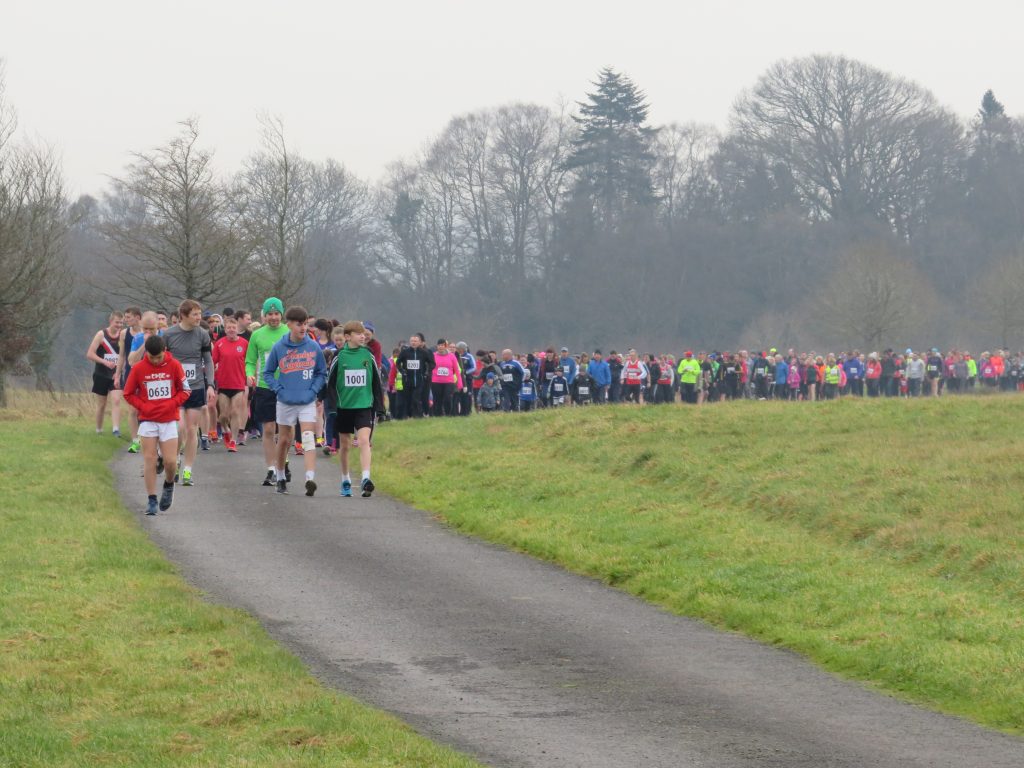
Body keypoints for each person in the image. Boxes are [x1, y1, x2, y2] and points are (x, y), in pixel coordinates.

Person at [122, 335, 190, 516]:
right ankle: (151, 499)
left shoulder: (174, 365)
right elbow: (128, 393)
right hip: (148, 420)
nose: (155, 360)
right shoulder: (138, 368)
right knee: (149, 460)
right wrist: (143, 406)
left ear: (164, 352)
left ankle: (168, 484)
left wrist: (172, 403)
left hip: (168, 420)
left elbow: (186, 390)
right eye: (151, 358)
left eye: (158, 357)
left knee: (170, 461)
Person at [262, 306, 327, 496]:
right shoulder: (279, 347)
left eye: (306, 324)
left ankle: (309, 479)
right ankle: (281, 477)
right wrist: (279, 389)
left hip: (306, 400)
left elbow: (321, 373)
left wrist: (313, 390)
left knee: (308, 437)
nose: (303, 328)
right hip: (286, 401)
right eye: (299, 324)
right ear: (288, 324)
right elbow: (267, 373)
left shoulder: (313, 346)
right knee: (284, 440)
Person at [327, 321, 385, 498]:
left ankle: (366, 479)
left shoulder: (368, 355)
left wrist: (380, 407)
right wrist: (332, 407)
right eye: (358, 333)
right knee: (344, 446)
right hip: (344, 407)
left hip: (364, 406)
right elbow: (330, 385)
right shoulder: (339, 356)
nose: (363, 336)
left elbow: (376, 382)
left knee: (364, 441)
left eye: (364, 333)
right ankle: (345, 479)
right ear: (347, 337)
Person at [162, 300, 215, 487]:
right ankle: (174, 460)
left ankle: (188, 470)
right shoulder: (168, 334)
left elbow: (208, 361)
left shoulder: (203, 334)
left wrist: (210, 385)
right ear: (183, 315)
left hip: (196, 386)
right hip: (175, 388)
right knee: (178, 428)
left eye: (200, 314)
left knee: (192, 429)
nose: (199, 317)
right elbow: (161, 359)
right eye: (195, 314)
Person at [245, 298, 289, 486]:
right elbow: (250, 360)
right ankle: (271, 468)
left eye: (276, 314)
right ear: (264, 315)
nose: (273, 317)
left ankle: (283, 462)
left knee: (285, 430)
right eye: (269, 314)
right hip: (264, 386)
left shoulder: (288, 332)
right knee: (269, 429)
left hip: (286, 386)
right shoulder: (257, 335)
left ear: (281, 314)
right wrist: (249, 375)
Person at [212, 315, 248, 452]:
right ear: (225, 329)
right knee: (223, 415)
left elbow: (250, 362)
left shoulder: (244, 343)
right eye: (229, 328)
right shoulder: (219, 343)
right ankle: (225, 430)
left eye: (234, 327)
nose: (231, 330)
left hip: (238, 383)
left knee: (234, 411)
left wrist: (250, 376)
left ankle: (233, 440)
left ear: (237, 329)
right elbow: (212, 361)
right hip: (223, 384)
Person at [85, 311, 124, 436]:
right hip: (101, 373)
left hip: (116, 375)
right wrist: (105, 362)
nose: (119, 325)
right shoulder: (101, 334)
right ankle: (99, 430)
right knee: (101, 404)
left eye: (121, 323)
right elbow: (90, 354)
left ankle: (115, 430)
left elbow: (124, 354)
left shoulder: (122, 335)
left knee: (117, 400)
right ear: (110, 321)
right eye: (117, 322)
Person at [115, 306, 142, 451]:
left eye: (128, 317)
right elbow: (121, 356)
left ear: (138, 317)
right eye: (125, 317)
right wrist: (118, 374)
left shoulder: (147, 333)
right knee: (132, 410)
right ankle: (135, 441)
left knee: (146, 409)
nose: (125, 320)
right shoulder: (124, 334)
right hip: (131, 374)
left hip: (147, 375)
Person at [431, 339, 459, 416]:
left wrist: (460, 383)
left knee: (447, 398)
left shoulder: (452, 356)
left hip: (449, 381)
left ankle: (448, 413)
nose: (441, 347)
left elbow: (457, 370)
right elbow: (429, 367)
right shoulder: (433, 356)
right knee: (437, 399)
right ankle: (437, 415)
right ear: (437, 346)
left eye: (442, 345)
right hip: (436, 381)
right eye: (439, 345)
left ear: (445, 346)